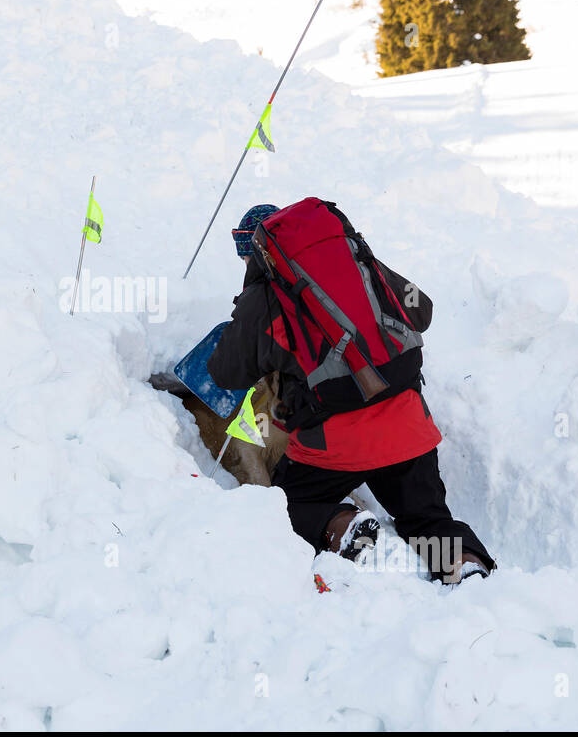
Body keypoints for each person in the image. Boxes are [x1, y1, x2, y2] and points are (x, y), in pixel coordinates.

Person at [207, 202, 494, 584]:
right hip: (408, 431)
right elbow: (421, 309)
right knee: (428, 520)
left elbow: (224, 371)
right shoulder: (363, 265)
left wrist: (246, 321)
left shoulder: (265, 298)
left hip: (333, 447)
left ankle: (344, 528)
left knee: (289, 507)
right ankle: (464, 564)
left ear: (256, 253)